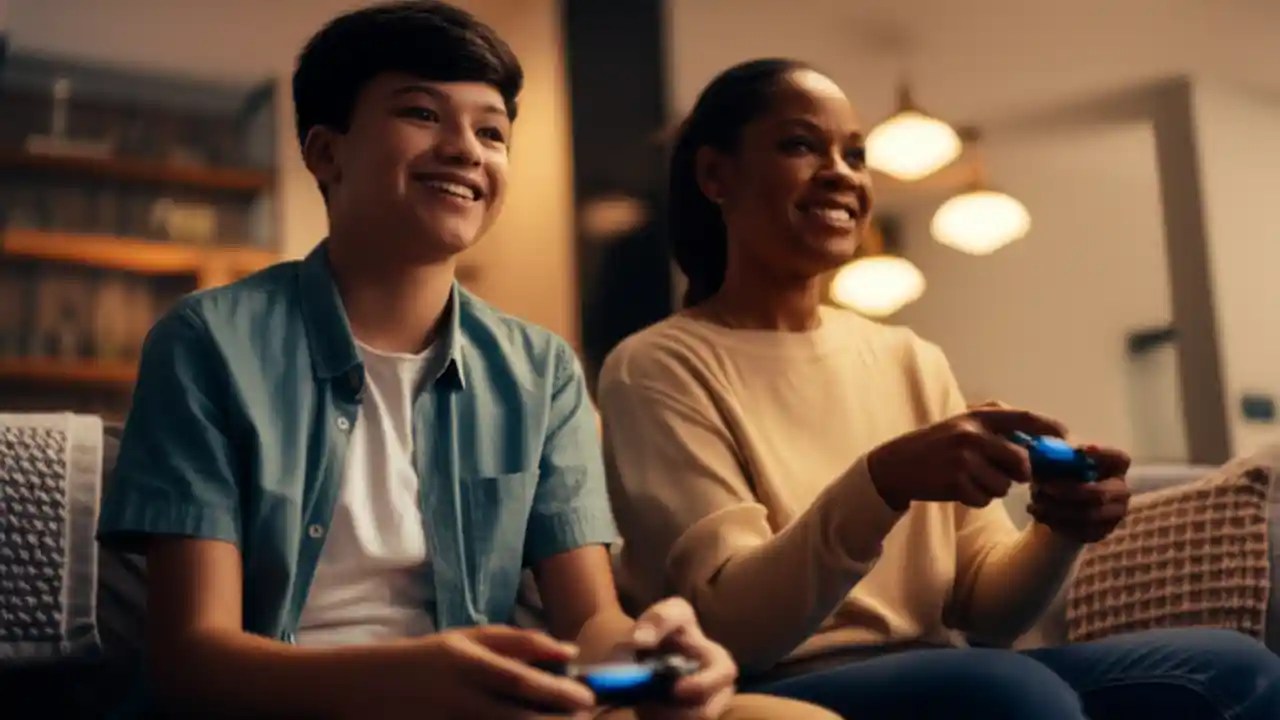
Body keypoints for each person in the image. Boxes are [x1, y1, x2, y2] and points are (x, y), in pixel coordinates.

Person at [96, 6, 839, 719]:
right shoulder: (209, 341)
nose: (465, 150)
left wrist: (655, 651)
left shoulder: (541, 370)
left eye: (492, 131)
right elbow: (192, 660)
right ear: (327, 151)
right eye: (422, 114)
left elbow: (590, 624)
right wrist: (409, 679)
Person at [596, 57, 1280, 720]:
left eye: (855, 156)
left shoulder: (907, 356)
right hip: (783, 686)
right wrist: (882, 482)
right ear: (716, 174)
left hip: (955, 666)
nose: (839, 174)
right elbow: (732, 630)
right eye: (802, 145)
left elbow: (987, 612)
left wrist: (1058, 528)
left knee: (1232, 668)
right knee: (1009, 693)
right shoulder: (656, 366)